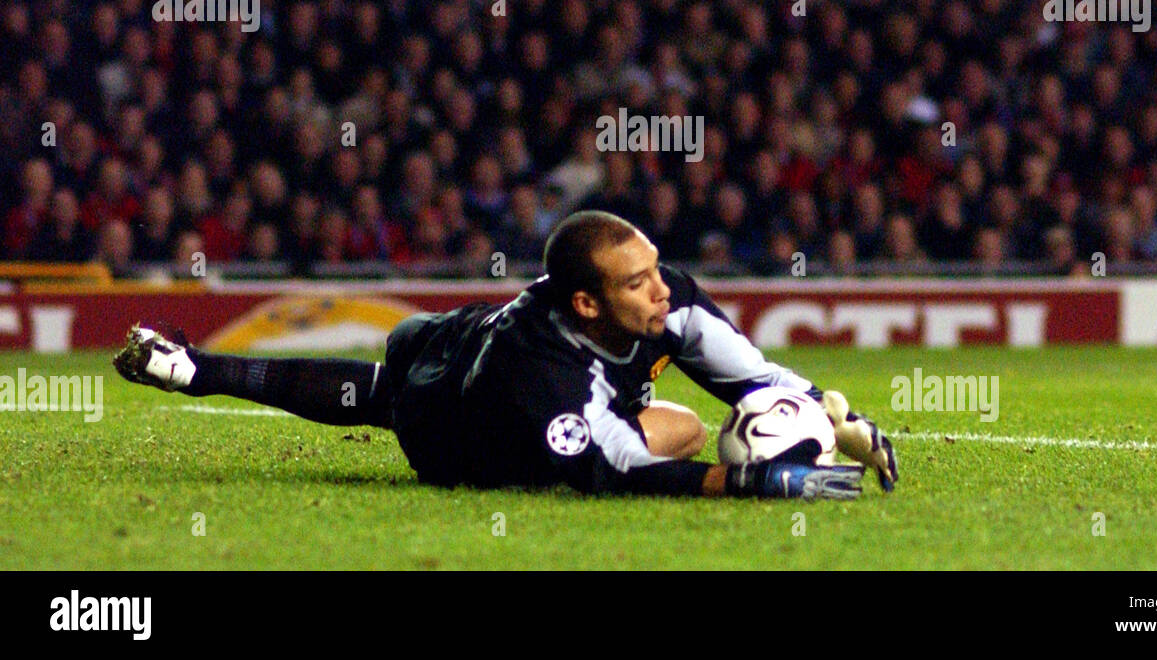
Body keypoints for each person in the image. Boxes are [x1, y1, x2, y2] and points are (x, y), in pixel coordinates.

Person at [114, 210, 897, 499]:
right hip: (463, 431)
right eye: (640, 281)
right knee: (680, 432)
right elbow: (618, 471)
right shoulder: (544, 379)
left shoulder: (659, 296)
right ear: (588, 303)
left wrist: (835, 414)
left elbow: (751, 371)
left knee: (376, 390)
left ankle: (194, 369)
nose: (664, 291)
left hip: (461, 338)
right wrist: (764, 481)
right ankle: (198, 371)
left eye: (658, 268)